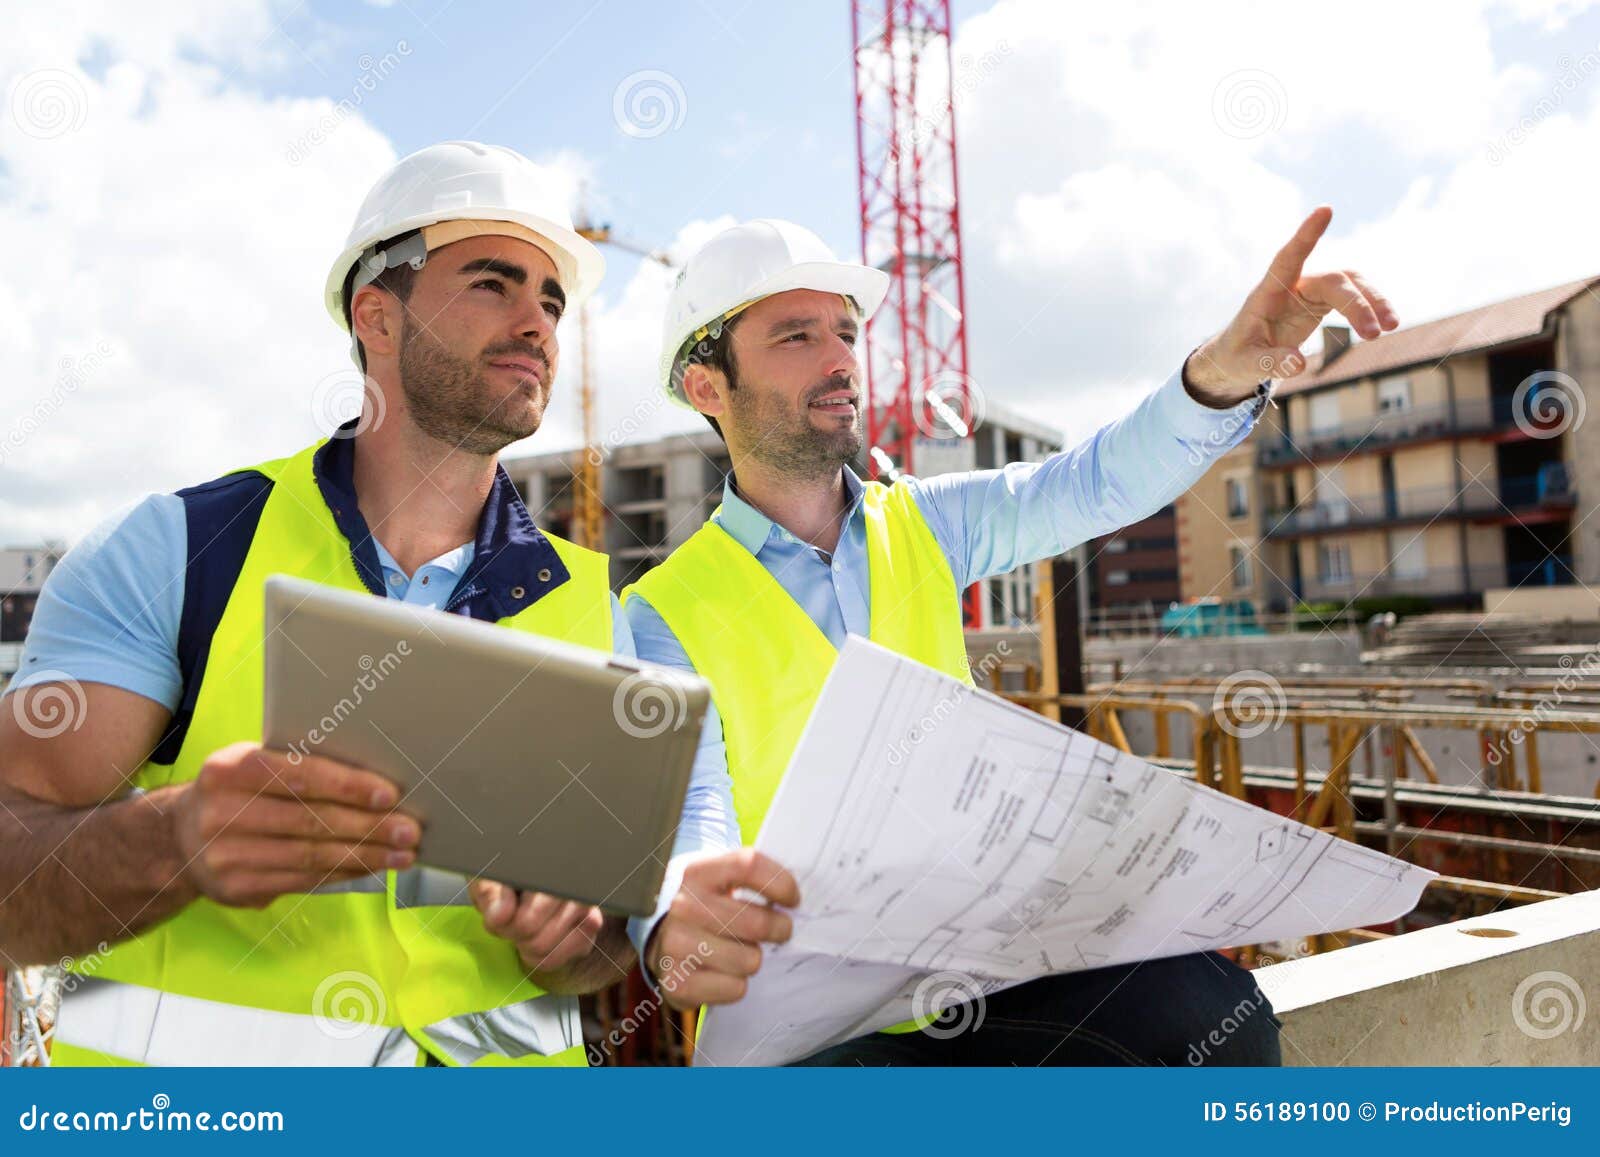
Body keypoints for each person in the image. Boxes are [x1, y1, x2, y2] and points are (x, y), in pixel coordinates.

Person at [0, 140, 721, 1067]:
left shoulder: (590, 607)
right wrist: (172, 837)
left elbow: (602, 948)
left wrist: (574, 939)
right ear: (376, 315)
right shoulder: (180, 552)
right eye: (494, 284)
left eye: (551, 298)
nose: (538, 323)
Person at [624, 210, 1398, 1064]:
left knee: (1214, 1016)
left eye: (845, 331)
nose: (841, 358)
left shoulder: (924, 522)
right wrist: (673, 916)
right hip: (809, 1022)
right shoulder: (660, 610)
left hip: (972, 967)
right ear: (707, 386)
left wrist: (1220, 374)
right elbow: (688, 812)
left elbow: (1091, 484)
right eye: (796, 336)